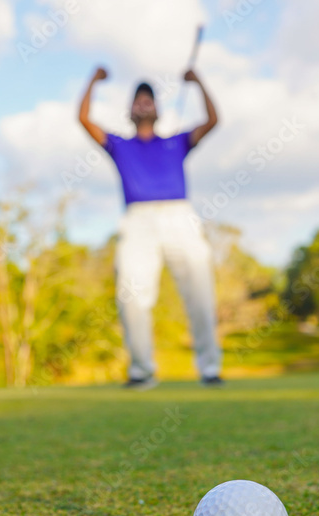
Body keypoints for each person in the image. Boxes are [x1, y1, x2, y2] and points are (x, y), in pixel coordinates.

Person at [78, 65, 223, 390]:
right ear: (130, 111)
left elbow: (213, 121)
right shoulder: (119, 145)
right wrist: (93, 80)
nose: (143, 103)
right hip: (137, 220)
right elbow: (84, 120)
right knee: (131, 295)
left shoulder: (178, 141)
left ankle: (210, 368)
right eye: (138, 100)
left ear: (158, 109)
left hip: (179, 216)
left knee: (200, 291)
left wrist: (198, 81)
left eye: (149, 99)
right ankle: (142, 371)